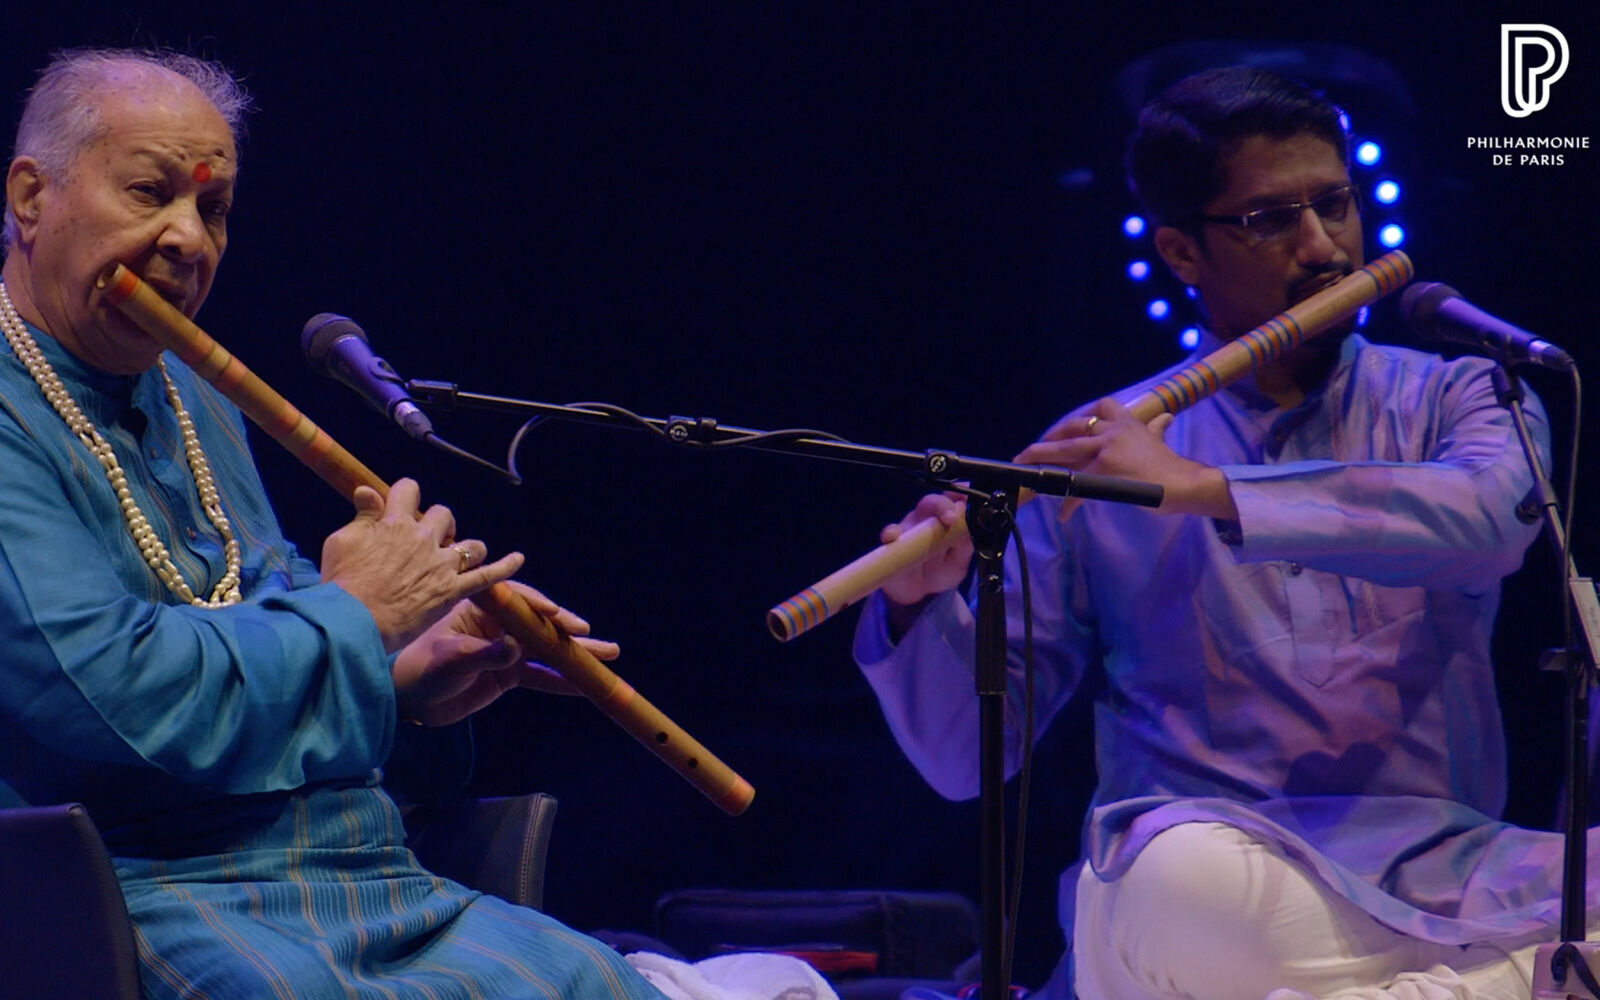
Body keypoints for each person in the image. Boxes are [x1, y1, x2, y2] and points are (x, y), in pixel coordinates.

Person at [0, 47, 834, 1000]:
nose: (190, 239)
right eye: (151, 193)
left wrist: (409, 677)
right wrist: (359, 612)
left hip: (361, 883)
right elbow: (112, 693)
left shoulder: (197, 402)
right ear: (31, 197)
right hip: (149, 895)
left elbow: (261, 652)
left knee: (598, 984)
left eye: (213, 208)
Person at [854, 66, 1592, 1000]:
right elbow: (968, 757)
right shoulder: (1102, 456)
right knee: (1169, 885)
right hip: (1221, 877)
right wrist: (922, 603)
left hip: (1447, 876)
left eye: (1336, 205)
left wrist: (1202, 491)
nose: (1324, 246)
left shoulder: (1468, 394)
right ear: (1181, 252)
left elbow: (1488, 523)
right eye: (1270, 220)